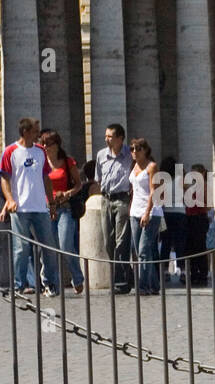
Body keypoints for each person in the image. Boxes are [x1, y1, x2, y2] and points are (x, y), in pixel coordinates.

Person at [1, 117, 59, 296]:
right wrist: (9, 199)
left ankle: (49, 283)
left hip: (40, 207)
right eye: (35, 131)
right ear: (26, 132)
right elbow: (4, 178)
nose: (38, 134)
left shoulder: (40, 151)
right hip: (20, 208)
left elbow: (46, 178)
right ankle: (19, 285)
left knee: (48, 246)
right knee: (21, 248)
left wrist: (51, 202)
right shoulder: (10, 151)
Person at [91, 123, 135, 293]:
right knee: (108, 242)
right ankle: (128, 274)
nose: (106, 139)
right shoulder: (101, 155)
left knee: (122, 241)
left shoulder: (130, 155)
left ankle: (120, 282)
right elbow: (98, 179)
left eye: (110, 136)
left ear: (120, 138)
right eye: (106, 136)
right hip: (106, 199)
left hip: (123, 199)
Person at [40, 129, 84, 293]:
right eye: (42, 143)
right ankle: (49, 283)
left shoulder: (68, 162)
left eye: (48, 143)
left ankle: (77, 278)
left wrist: (67, 194)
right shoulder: (41, 163)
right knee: (47, 247)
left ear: (57, 144)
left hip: (64, 208)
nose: (44, 146)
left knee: (66, 245)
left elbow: (79, 184)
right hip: (45, 208)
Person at [127, 138, 161, 296]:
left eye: (138, 149)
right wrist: (130, 208)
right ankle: (154, 285)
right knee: (141, 251)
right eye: (132, 149)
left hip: (151, 212)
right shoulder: (133, 166)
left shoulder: (151, 166)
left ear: (145, 150)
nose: (134, 151)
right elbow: (134, 190)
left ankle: (143, 286)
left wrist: (147, 212)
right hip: (134, 211)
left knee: (143, 250)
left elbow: (154, 191)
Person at [183, 163, 212, 286]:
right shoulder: (191, 186)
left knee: (200, 247)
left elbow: (209, 206)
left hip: (199, 219)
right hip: (189, 219)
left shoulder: (204, 186)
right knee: (190, 248)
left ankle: (202, 275)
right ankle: (194, 274)